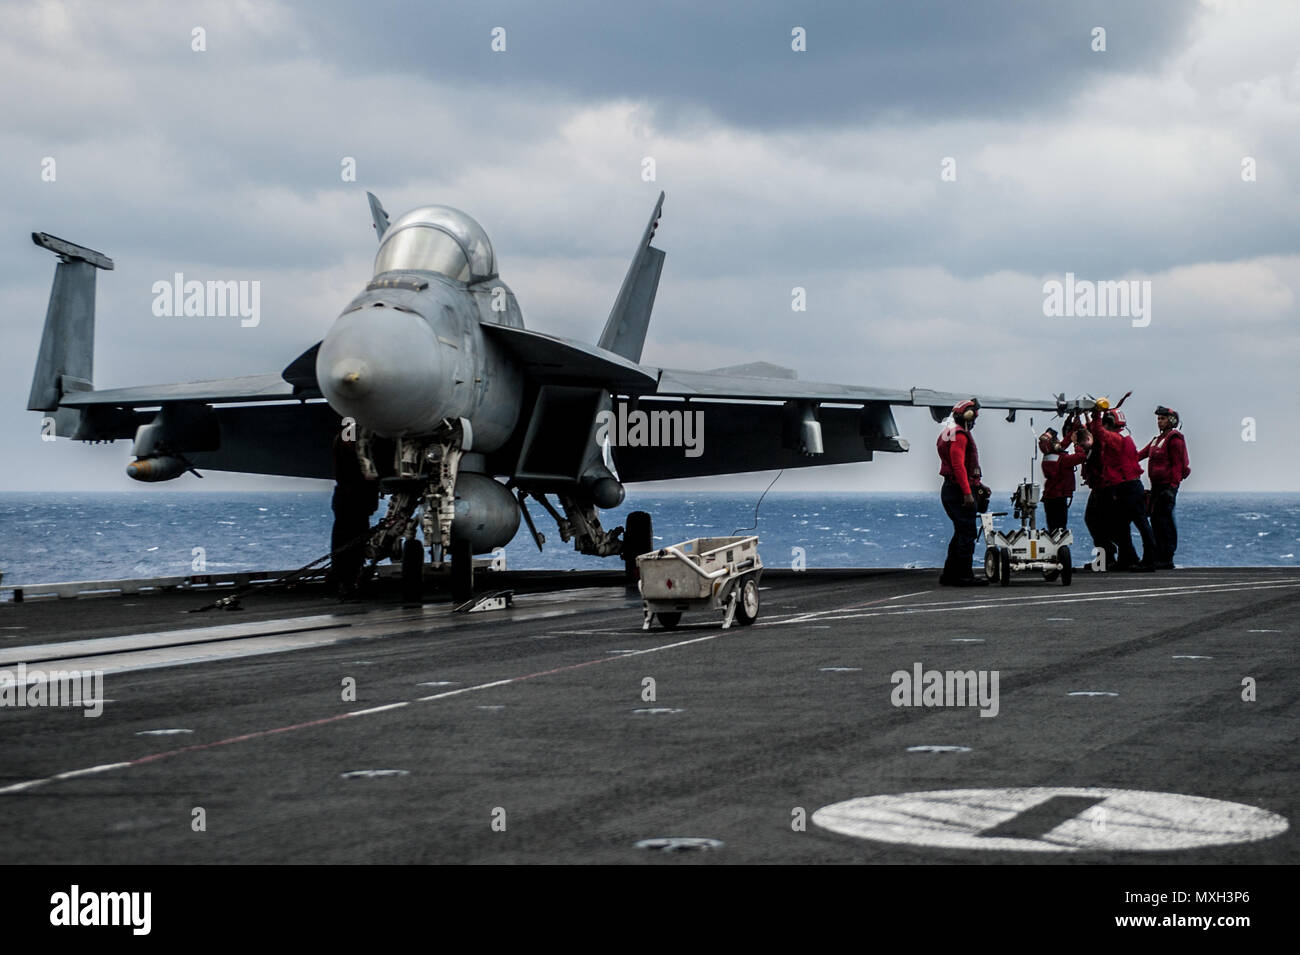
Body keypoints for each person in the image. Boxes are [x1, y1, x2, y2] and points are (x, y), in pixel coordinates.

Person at [1089, 407, 1155, 571]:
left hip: (1127, 486)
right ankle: (1127, 559)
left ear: (1110, 423)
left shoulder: (1116, 439)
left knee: (1140, 525)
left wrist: (1096, 413)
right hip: (1126, 485)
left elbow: (1099, 432)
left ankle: (1148, 560)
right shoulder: (1125, 436)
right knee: (1122, 525)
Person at [936, 398, 991, 585]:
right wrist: (968, 493)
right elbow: (958, 466)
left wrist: (978, 486)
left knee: (960, 532)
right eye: (974, 417)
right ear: (968, 417)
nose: (975, 421)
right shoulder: (960, 436)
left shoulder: (948, 433)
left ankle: (950, 573)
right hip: (958, 490)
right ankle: (963, 575)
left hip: (951, 488)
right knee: (967, 532)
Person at [328, 430, 380, 597]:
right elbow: (367, 476)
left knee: (343, 541)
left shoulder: (344, 438)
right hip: (354, 500)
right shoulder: (351, 440)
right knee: (352, 543)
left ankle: (342, 580)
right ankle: (346, 582)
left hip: (348, 499)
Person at [1138, 405, 1190, 569]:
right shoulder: (1156, 440)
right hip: (1156, 486)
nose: (1159, 422)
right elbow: (1140, 454)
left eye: (1163, 418)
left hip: (1167, 487)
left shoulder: (1174, 438)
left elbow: (1177, 464)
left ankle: (1167, 557)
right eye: (1158, 419)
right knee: (1156, 521)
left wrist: (1172, 487)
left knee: (1164, 522)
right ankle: (1159, 555)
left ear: (1172, 420)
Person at [1039, 419, 1087, 533]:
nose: (1058, 441)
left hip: (1050, 497)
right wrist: (1077, 443)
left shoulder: (1049, 457)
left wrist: (1073, 430)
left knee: (1053, 529)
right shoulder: (1063, 459)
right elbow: (1082, 456)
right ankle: (1060, 549)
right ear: (1052, 444)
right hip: (1058, 499)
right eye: (1055, 440)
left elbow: (1062, 445)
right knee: (1060, 530)